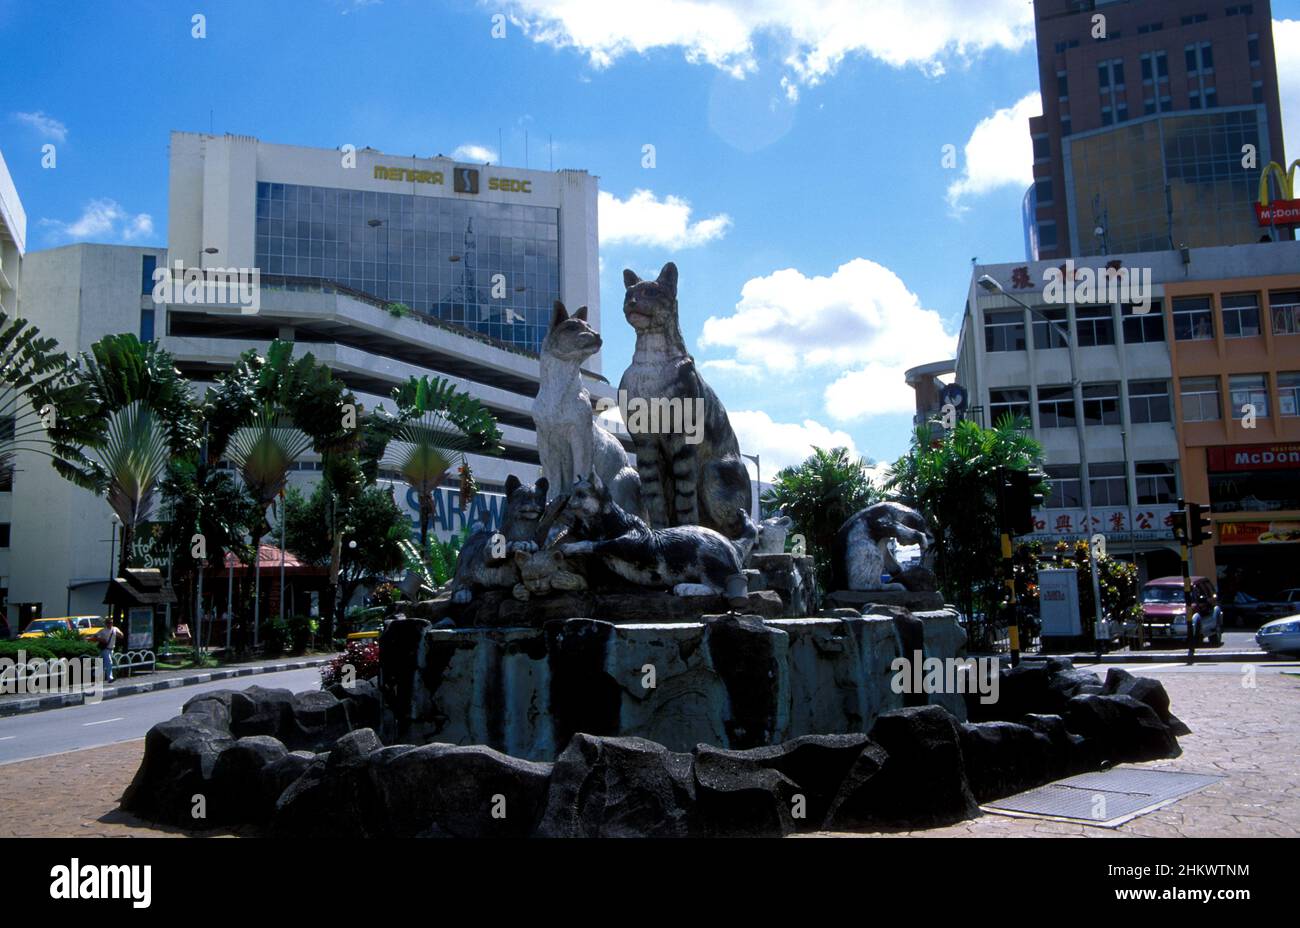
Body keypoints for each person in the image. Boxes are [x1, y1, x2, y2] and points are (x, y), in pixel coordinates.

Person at [94, 617, 122, 683]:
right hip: (105, 649)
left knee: (104, 664)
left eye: (111, 623)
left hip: (111, 649)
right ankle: (110, 678)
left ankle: (95, 674)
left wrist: (120, 634)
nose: (110, 624)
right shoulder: (103, 630)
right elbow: (95, 636)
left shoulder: (115, 629)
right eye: (109, 623)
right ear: (106, 624)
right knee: (109, 662)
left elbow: (121, 635)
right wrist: (101, 639)